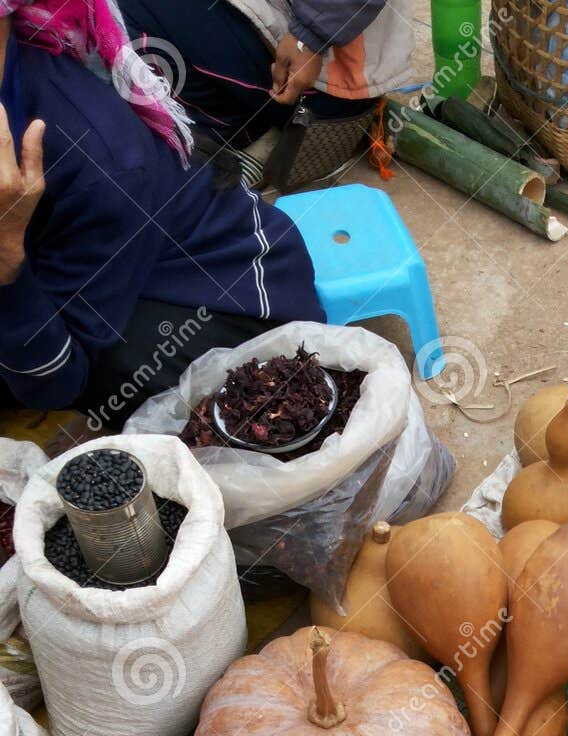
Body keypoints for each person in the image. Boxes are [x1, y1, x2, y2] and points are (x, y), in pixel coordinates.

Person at [0, 0, 323, 421]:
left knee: (107, 376)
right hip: (109, 262)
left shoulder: (99, 160)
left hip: (230, 296)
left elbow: (55, 384)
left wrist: (6, 256)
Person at [119, 1, 414, 151]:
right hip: (310, 65)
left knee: (124, 9)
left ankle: (229, 136)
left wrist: (310, 37)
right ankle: (245, 128)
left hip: (316, 83)